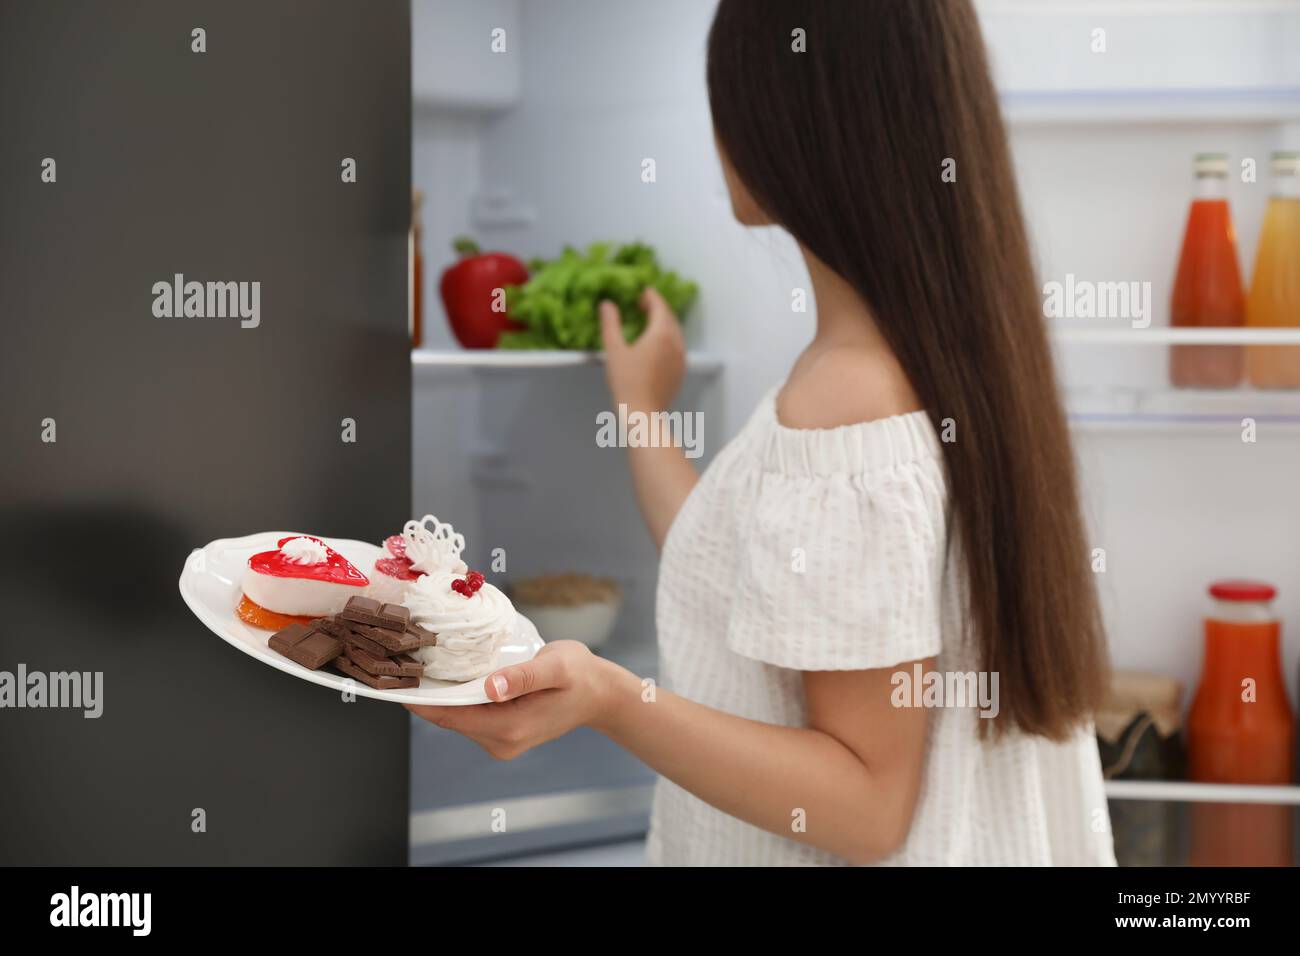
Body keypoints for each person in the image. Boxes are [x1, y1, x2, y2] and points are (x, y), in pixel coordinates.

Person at [408, 0, 1115, 866]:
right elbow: (744, 569)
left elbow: (863, 808)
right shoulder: (948, 356)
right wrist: (642, 407)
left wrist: (611, 698)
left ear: (785, 121)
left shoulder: (846, 397)